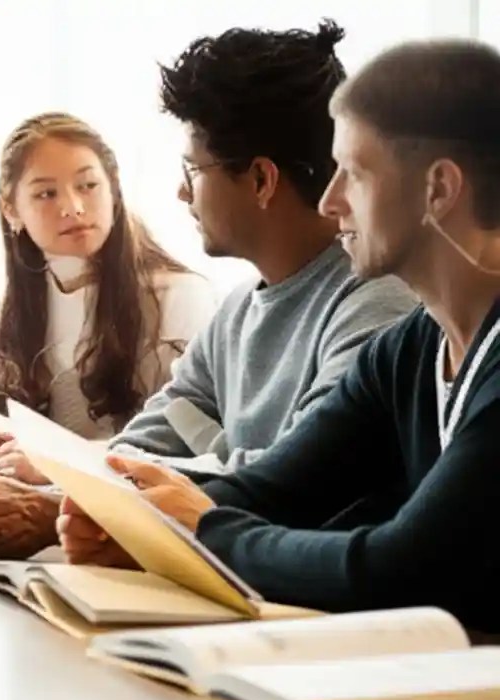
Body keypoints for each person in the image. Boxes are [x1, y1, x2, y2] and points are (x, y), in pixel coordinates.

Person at [59, 38, 500, 633]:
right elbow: (269, 490)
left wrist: (203, 533)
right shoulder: (408, 351)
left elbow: (401, 567)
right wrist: (142, 522)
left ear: (439, 190)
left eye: (356, 174)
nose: (329, 198)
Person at [0, 21, 418, 561]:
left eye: (193, 168)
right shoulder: (239, 309)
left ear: (261, 181)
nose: (179, 190)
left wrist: (68, 507)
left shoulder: (377, 304)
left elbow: (291, 479)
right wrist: (61, 498)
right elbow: (146, 440)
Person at [0, 111, 219, 557]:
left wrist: (51, 466)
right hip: (45, 552)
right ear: (10, 210)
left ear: (114, 188)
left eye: (88, 185)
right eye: (46, 193)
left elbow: (189, 454)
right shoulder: (7, 315)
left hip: (141, 548)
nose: (72, 206)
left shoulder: (179, 297)